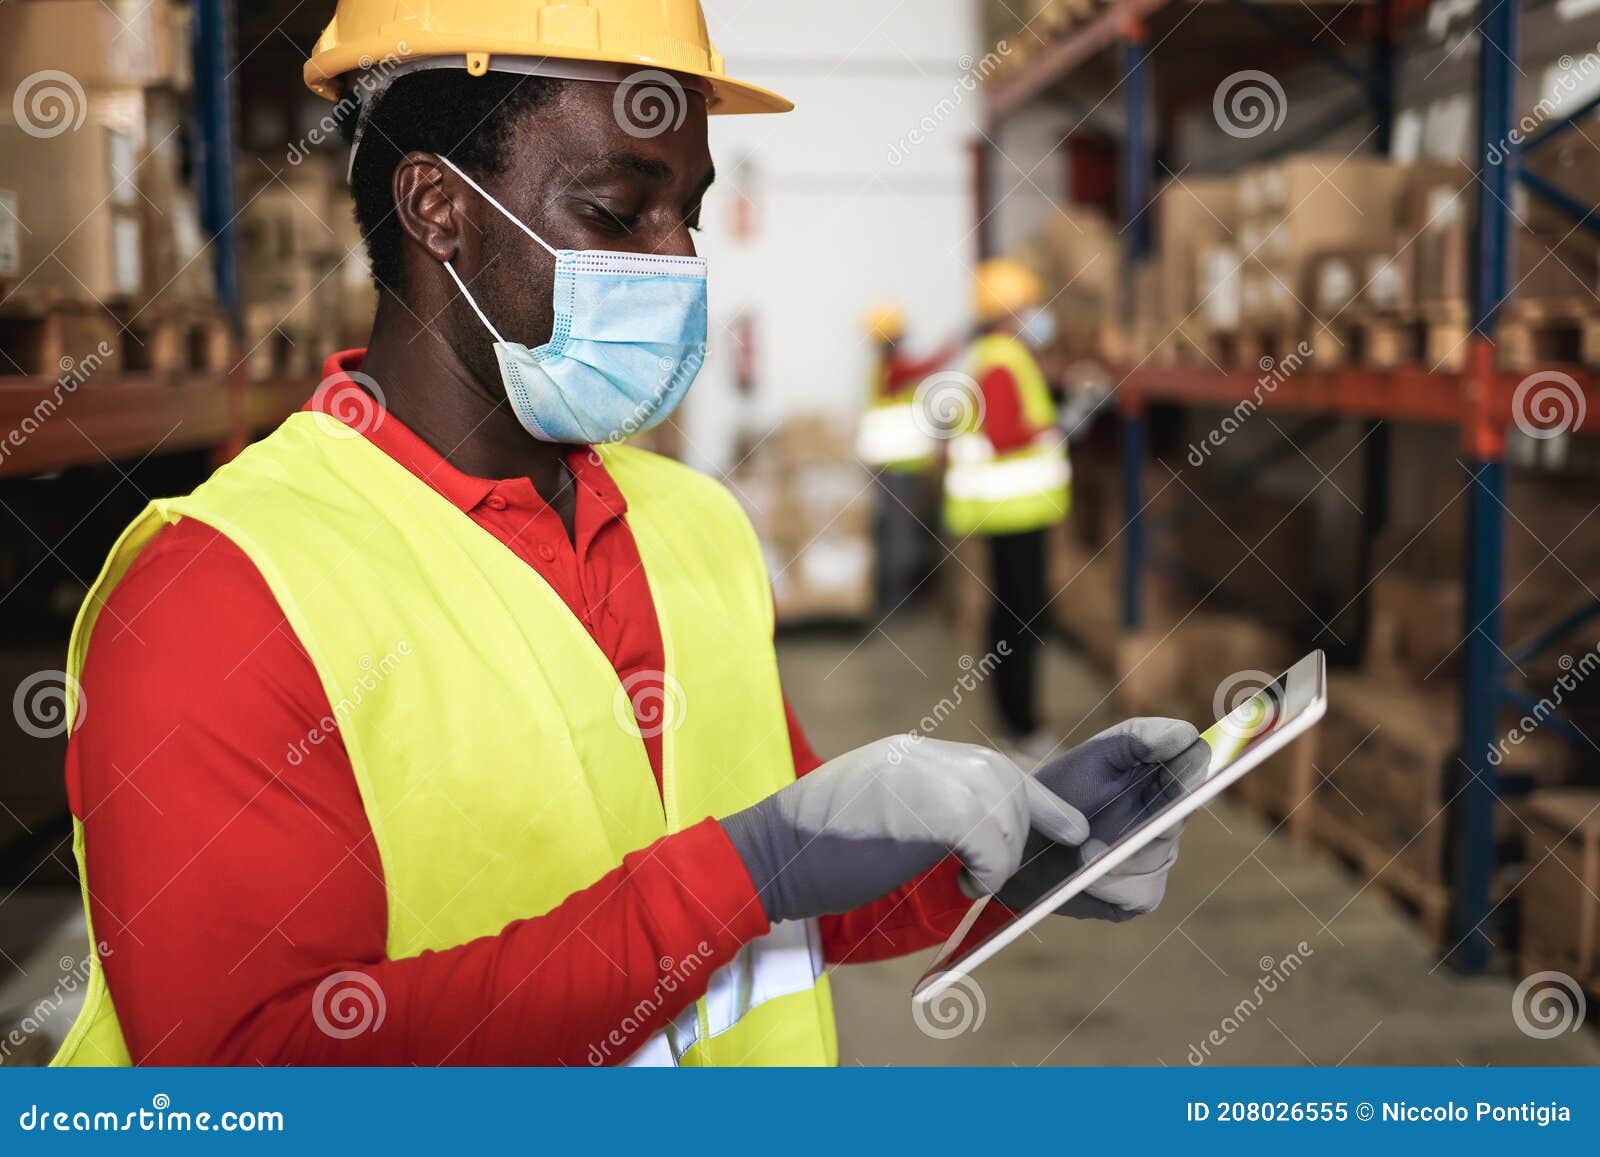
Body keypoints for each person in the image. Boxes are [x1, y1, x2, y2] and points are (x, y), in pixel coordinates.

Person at [51, 0, 1204, 1068]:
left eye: (686, 213)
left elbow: (794, 878)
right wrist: (752, 863)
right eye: (615, 210)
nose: (676, 261)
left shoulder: (690, 524)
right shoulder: (222, 593)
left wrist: (998, 850)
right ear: (435, 206)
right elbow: (249, 1076)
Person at [943, 258, 1073, 767]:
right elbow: (1001, 434)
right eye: (1025, 308)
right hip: (1014, 512)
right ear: (1007, 313)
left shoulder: (994, 355)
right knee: (1022, 618)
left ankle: (1014, 723)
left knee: (1011, 615)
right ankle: (1024, 729)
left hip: (1009, 511)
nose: (1033, 316)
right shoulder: (1001, 360)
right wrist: (1048, 430)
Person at [854, 303, 960, 612]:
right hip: (896, 468)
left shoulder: (885, 369)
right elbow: (930, 365)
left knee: (898, 532)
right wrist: (958, 340)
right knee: (900, 536)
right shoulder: (893, 369)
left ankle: (896, 598)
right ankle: (897, 602)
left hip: (896, 467)